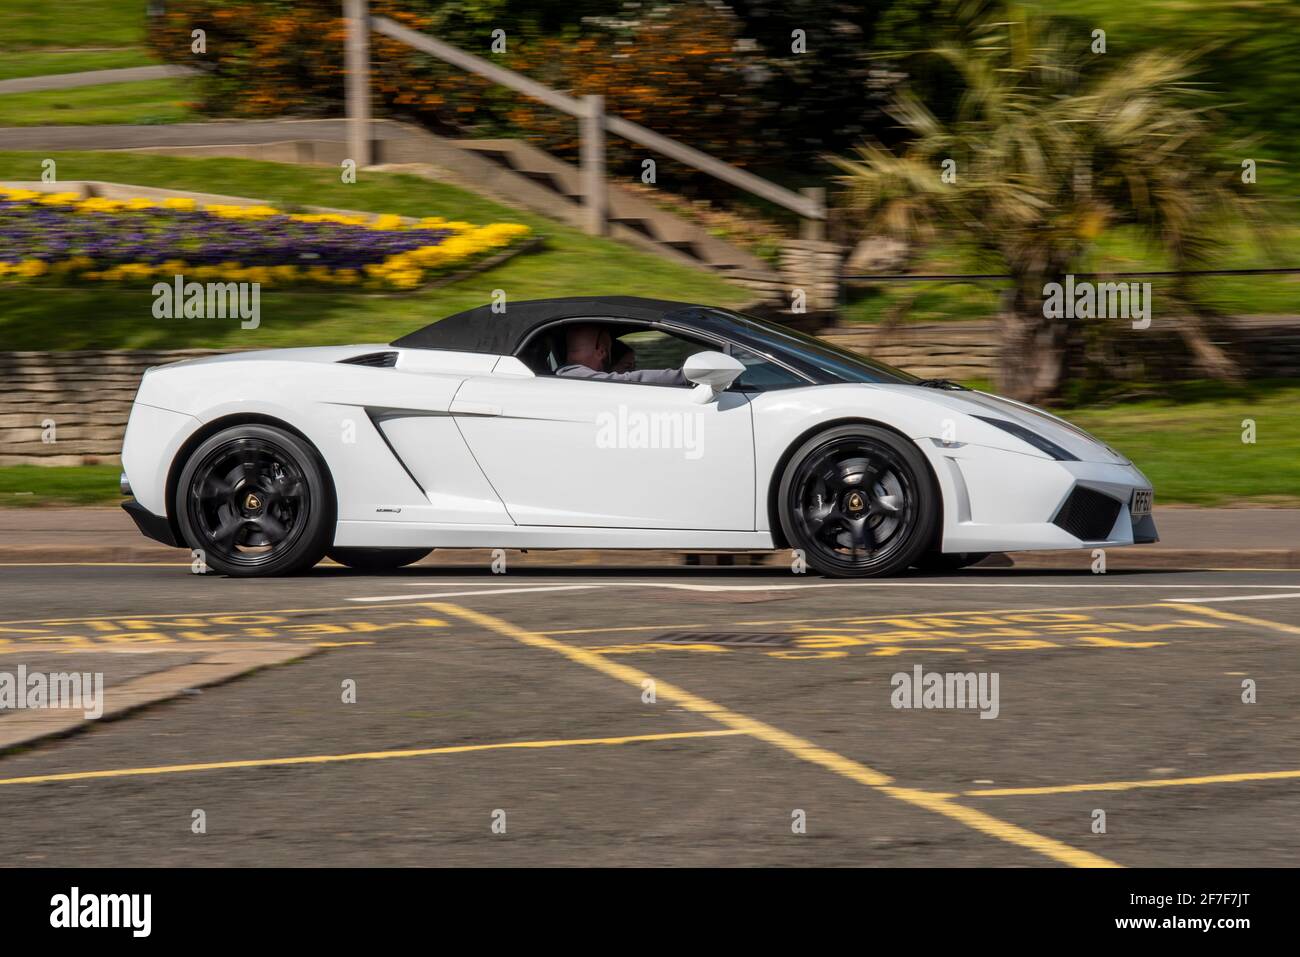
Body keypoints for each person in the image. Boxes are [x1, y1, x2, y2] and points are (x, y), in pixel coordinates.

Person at [555, 324, 687, 385]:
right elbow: (627, 381)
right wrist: (684, 376)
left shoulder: (568, 375)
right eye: (609, 350)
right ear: (602, 352)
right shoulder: (574, 375)